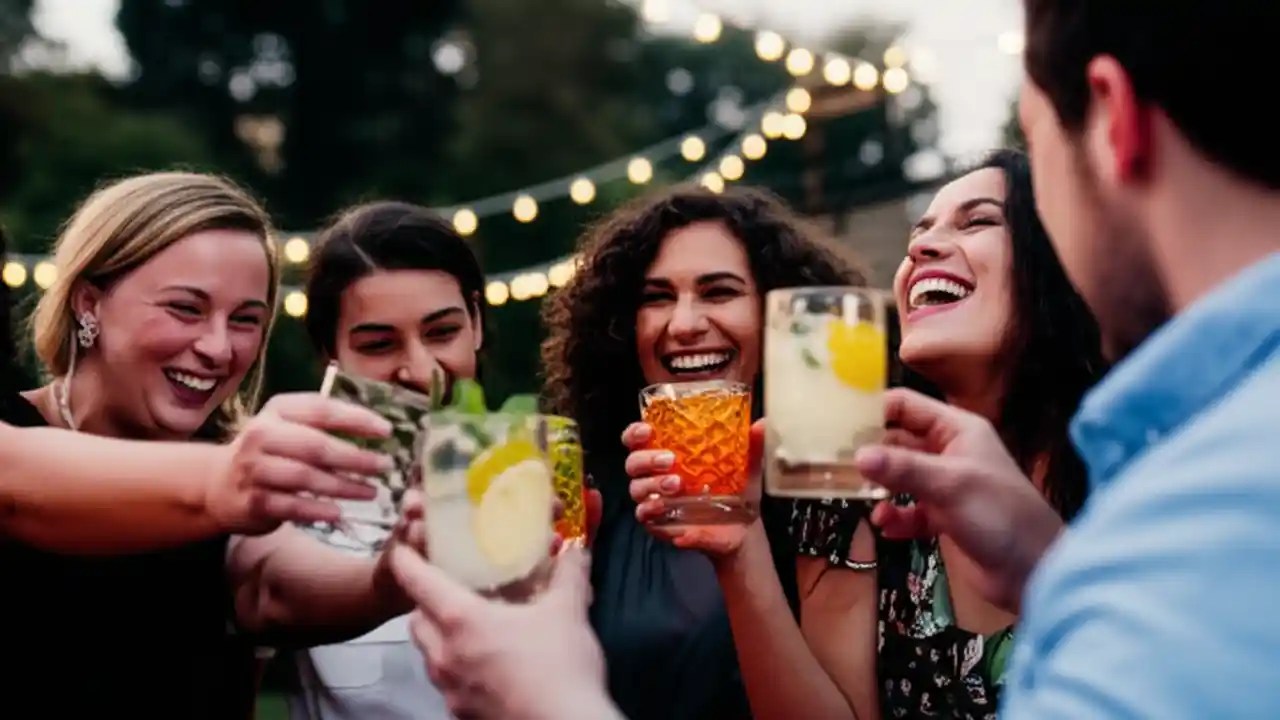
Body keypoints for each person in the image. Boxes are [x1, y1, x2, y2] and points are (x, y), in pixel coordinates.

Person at [851, 0, 1280, 716]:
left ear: (1115, 121)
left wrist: (588, 686)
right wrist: (1051, 570)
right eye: (916, 232)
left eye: (1035, 142)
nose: (921, 245)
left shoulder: (1206, 506)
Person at [621, 149, 1105, 719]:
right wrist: (740, 550)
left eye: (976, 222)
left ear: (1059, 259)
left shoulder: (1143, 461)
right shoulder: (854, 488)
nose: (921, 246)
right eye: (917, 234)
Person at [0, 172, 418, 716]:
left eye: (245, 320)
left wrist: (393, 577)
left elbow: (271, 586)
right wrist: (225, 480)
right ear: (88, 303)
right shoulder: (12, 430)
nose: (218, 349)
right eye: (185, 309)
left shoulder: (247, 468)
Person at [539, 184, 864, 719]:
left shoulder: (834, 480)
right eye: (657, 297)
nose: (684, 324)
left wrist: (742, 544)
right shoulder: (587, 487)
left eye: (718, 292)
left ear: (775, 315)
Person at [287, 200, 486, 720]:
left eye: (443, 332)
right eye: (379, 344)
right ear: (332, 356)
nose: (420, 370)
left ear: (477, 324)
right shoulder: (291, 502)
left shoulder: (548, 480)